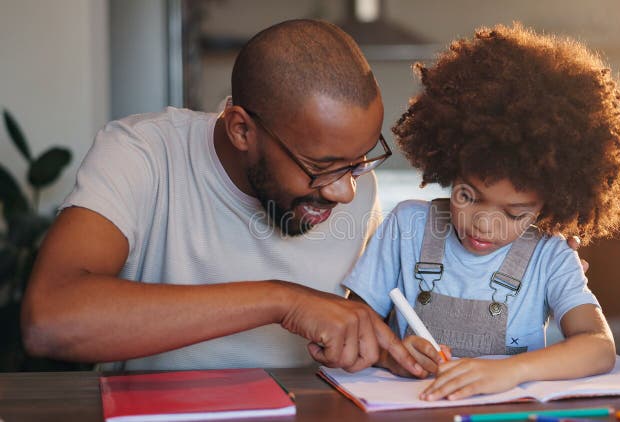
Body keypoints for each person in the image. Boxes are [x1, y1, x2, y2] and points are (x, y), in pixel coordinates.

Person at [20, 19, 423, 375]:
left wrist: (381, 348)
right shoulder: (142, 155)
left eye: (360, 161)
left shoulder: (353, 183)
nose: (346, 191)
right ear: (241, 130)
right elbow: (50, 319)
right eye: (320, 167)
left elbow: (356, 326)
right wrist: (283, 300)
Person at [343, 23, 620, 400]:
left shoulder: (549, 254)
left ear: (552, 203)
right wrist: (393, 356)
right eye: (468, 196)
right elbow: (356, 329)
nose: (484, 224)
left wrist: (509, 372)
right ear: (449, 165)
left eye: (515, 213)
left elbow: (599, 347)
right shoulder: (407, 227)